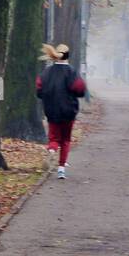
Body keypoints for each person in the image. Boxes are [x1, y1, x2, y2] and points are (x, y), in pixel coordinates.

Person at [36, 43, 86, 179]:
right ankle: (61, 168)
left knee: (53, 137)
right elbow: (79, 88)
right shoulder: (72, 72)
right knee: (65, 139)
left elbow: (39, 89)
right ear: (68, 56)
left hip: (51, 110)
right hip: (69, 110)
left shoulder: (46, 72)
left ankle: (52, 149)